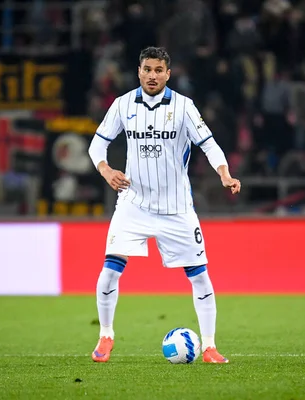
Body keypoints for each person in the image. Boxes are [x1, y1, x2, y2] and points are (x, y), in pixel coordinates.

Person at [87, 46, 241, 363]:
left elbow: (209, 144)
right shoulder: (123, 105)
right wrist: (106, 170)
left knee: (200, 276)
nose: (153, 75)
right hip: (133, 203)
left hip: (177, 208)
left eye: (159, 70)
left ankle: (209, 346)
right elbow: (96, 145)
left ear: (168, 74)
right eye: (147, 69)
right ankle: (105, 336)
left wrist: (224, 173)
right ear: (139, 71)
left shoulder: (184, 107)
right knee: (109, 271)